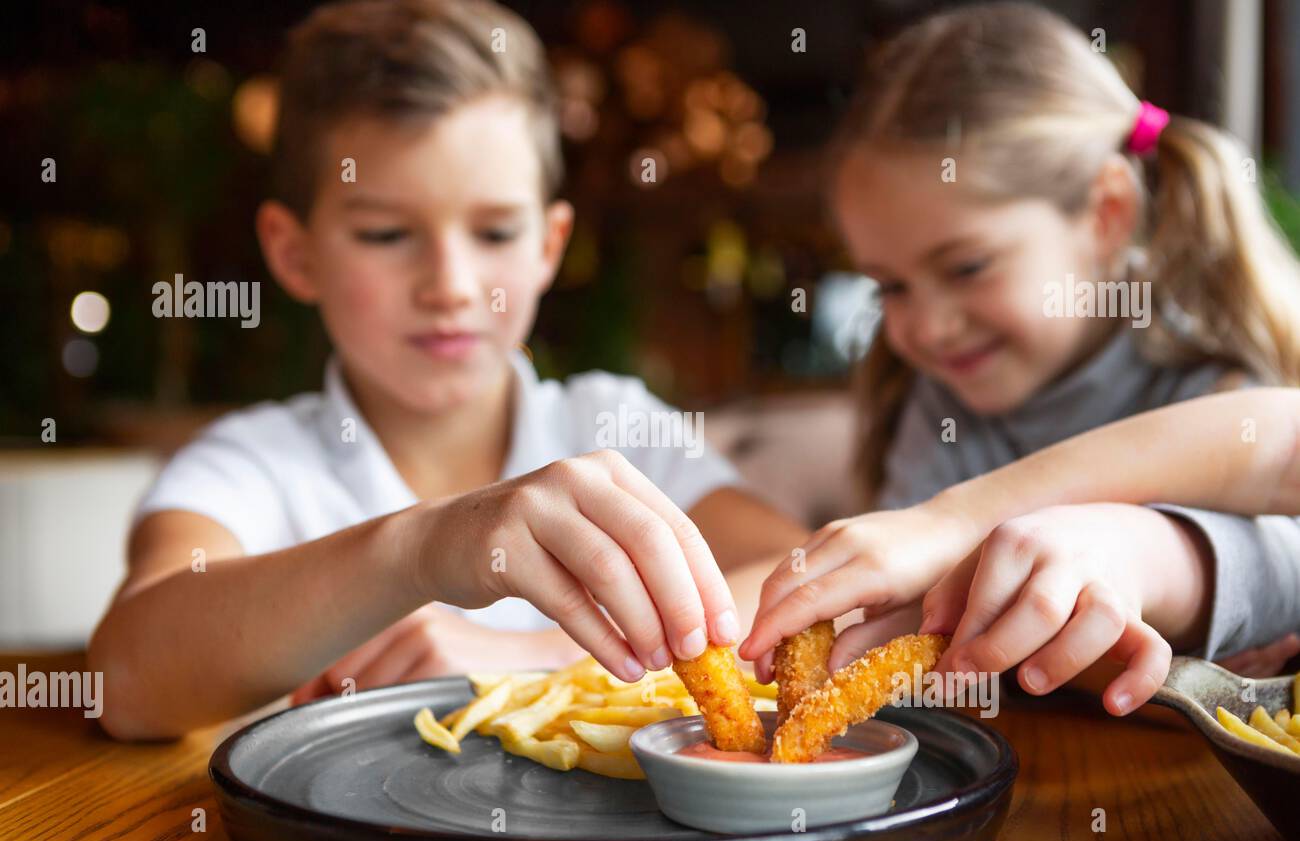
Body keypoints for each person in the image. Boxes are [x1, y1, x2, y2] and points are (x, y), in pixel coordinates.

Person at [88, 0, 805, 740]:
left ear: (549, 245)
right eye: (386, 233)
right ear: (295, 253)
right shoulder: (253, 465)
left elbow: (815, 586)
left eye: (495, 230)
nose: (452, 284)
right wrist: (422, 551)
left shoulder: (612, 427)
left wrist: (539, 659)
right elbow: (124, 683)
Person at [741, 2, 1300, 716]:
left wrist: (964, 529)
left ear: (1106, 214)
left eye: (968, 266)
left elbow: (1282, 571)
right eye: (891, 286)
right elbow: (923, 621)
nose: (929, 326)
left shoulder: (1213, 379)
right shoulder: (940, 405)